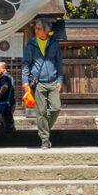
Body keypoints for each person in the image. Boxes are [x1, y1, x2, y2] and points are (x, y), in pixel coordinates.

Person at [22, 18, 63, 149]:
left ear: (46, 30)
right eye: (35, 28)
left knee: (56, 108)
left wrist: (60, 80)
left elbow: (59, 63)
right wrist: (25, 81)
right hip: (38, 82)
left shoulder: (54, 44)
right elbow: (26, 64)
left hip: (53, 81)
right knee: (41, 111)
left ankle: (44, 129)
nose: (36, 30)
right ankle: (45, 139)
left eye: (38, 28)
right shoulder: (31, 44)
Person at [0, 60, 15, 133]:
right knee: (2, 124)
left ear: (3, 69)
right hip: (9, 102)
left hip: (5, 103)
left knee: (8, 125)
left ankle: (9, 140)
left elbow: (5, 87)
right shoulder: (9, 77)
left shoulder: (4, 77)